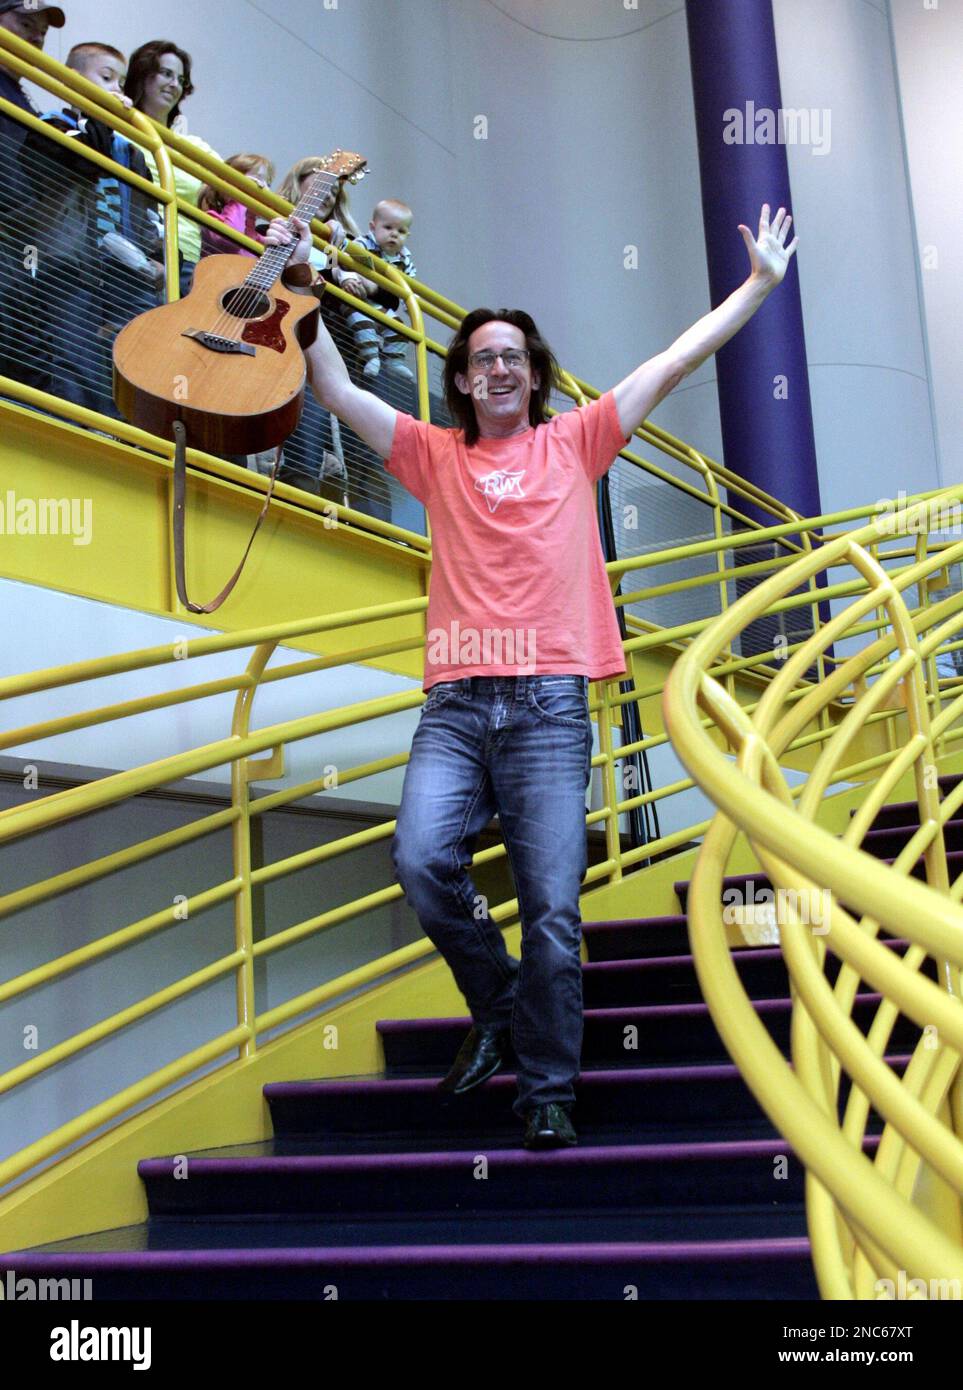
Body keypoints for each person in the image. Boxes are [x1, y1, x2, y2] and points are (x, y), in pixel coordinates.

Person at [269, 201, 800, 1148]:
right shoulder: (433, 456)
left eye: (513, 355)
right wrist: (300, 278)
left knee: (554, 905)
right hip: (456, 703)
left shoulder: (578, 441)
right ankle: (499, 1002)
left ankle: (546, 1085)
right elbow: (338, 389)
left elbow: (673, 362)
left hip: (551, 704)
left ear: (534, 373)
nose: (499, 367)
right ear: (463, 383)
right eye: (482, 359)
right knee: (421, 860)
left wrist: (757, 286)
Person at [0, 0, 65, 395]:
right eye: (25, 23)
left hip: (21, 243)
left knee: (31, 360)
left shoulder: (28, 100)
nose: (36, 37)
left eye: (41, 31)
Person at [124, 40, 221, 298]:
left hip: (192, 261)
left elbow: (235, 185)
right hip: (139, 252)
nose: (174, 84)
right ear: (142, 75)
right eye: (166, 74)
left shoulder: (193, 146)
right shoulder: (118, 125)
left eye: (181, 79)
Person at [344, 199, 416, 381]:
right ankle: (371, 358)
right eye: (388, 228)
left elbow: (409, 284)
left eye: (401, 231)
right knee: (363, 322)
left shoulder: (404, 258)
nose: (394, 235)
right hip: (356, 299)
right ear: (373, 227)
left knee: (399, 327)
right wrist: (349, 277)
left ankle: (395, 361)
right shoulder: (362, 244)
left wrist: (410, 300)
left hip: (379, 304)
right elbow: (342, 260)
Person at [198, 153, 274, 259]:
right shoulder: (211, 218)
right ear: (229, 182)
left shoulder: (254, 234)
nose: (265, 188)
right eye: (258, 179)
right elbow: (230, 242)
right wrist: (241, 199)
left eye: (268, 184)